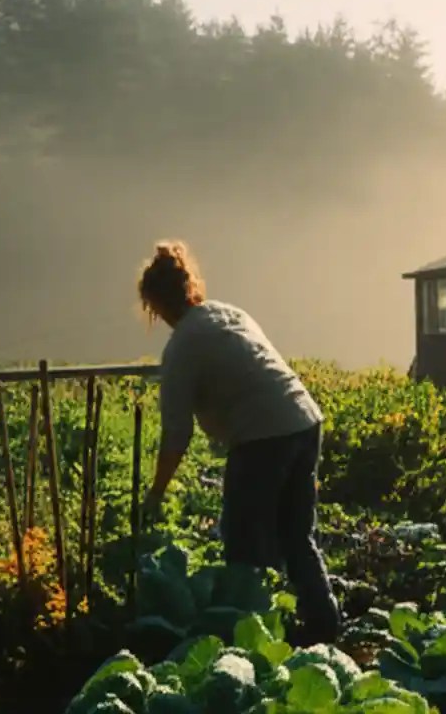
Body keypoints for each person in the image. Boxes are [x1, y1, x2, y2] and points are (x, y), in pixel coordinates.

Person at [136, 240, 340, 646]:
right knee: (296, 535)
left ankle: (254, 638)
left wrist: (155, 493)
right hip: (303, 419)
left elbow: (176, 435)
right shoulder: (227, 313)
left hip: (263, 435)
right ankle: (325, 628)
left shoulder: (181, 348)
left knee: (245, 544)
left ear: (157, 305)